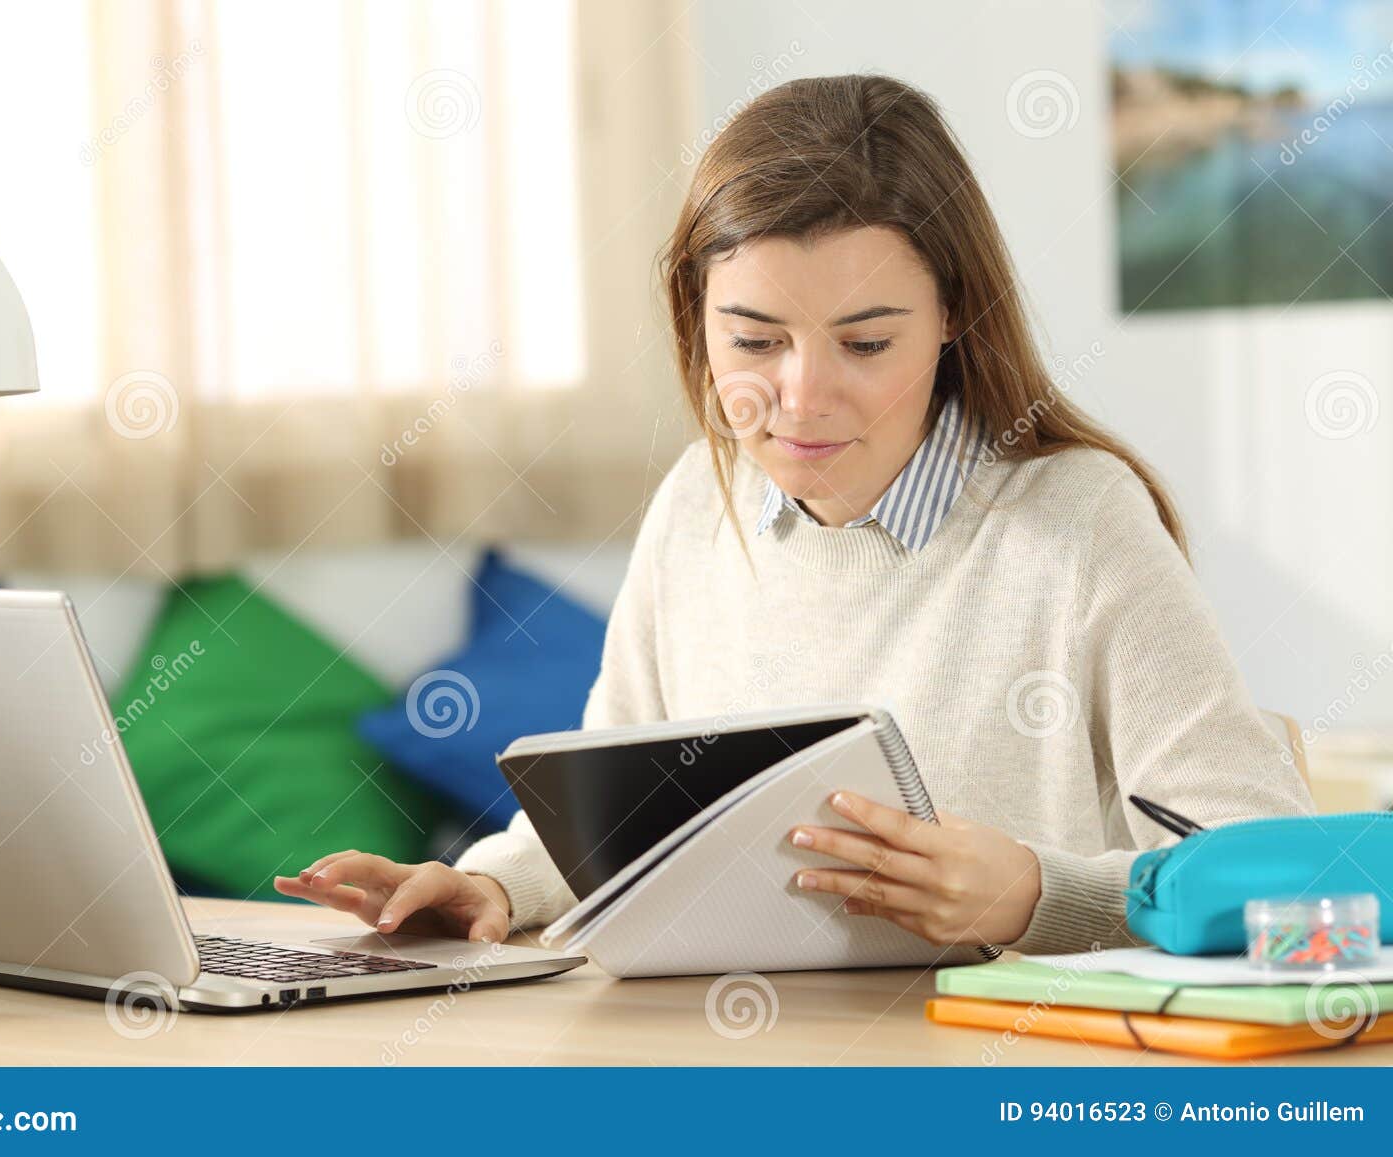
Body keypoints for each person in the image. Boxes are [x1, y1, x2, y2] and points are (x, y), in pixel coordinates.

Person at [274, 74, 1312, 955]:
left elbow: (1273, 869)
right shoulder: (698, 499)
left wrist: (1038, 894)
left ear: (953, 315)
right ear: (697, 315)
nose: (803, 396)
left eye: (865, 344)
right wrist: (492, 885)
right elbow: (609, 813)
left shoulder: (1077, 521)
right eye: (755, 340)